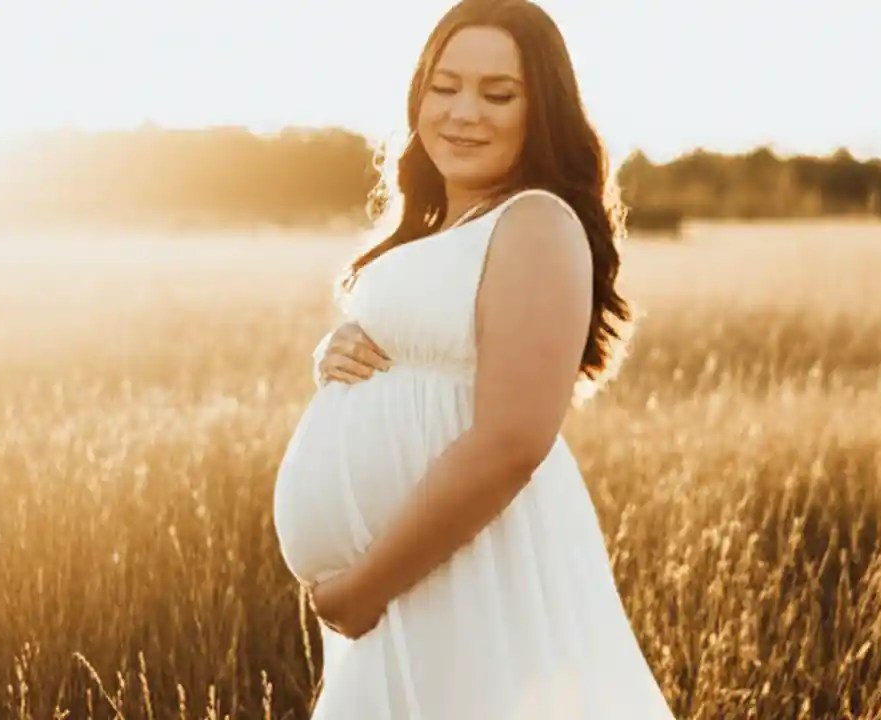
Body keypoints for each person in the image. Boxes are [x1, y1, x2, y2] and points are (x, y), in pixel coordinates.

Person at [271, 1, 675, 717]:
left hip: (462, 570)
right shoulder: (444, 227)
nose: (464, 112)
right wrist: (337, 356)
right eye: (445, 86)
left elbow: (511, 442)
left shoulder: (535, 221)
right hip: (415, 581)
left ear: (541, 111)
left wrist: (365, 589)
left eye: (498, 94)